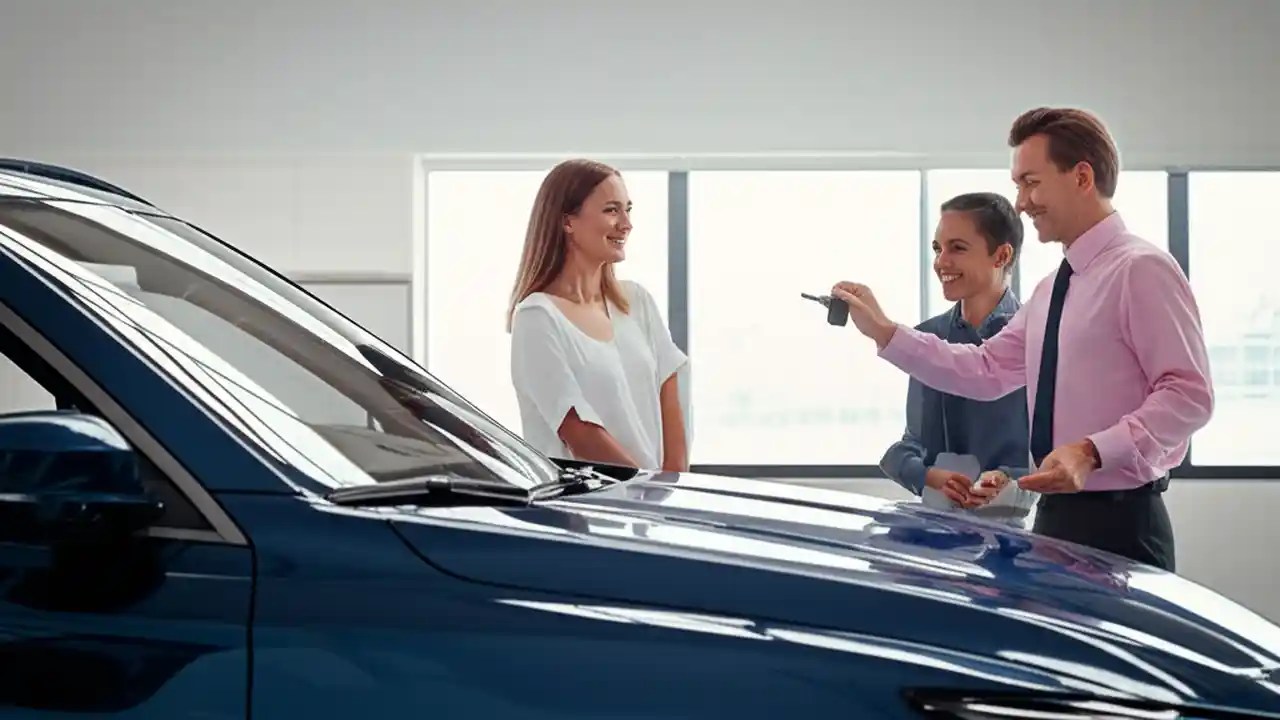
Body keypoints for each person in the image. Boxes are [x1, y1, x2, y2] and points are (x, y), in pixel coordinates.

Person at [832, 107, 1213, 572]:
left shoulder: (1141, 269)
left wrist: (1091, 451)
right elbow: (985, 369)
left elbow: (1189, 396)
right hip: (1056, 518)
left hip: (1121, 522)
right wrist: (884, 331)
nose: (1020, 202)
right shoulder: (1052, 288)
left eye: (1030, 182)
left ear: (1081, 177)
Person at [506, 158, 691, 472]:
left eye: (627, 209)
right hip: (590, 511)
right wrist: (644, 493)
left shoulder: (636, 302)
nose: (626, 224)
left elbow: (669, 390)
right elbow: (580, 433)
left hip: (654, 505)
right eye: (611, 210)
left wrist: (671, 488)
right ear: (567, 222)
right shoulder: (537, 318)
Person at [879, 192, 1037, 527]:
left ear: (1002, 255)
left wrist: (1008, 480)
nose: (940, 261)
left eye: (957, 248)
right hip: (933, 535)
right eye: (937, 248)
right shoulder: (926, 340)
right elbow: (908, 450)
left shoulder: (1037, 341)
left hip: (1009, 539)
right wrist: (929, 476)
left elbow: (1049, 457)